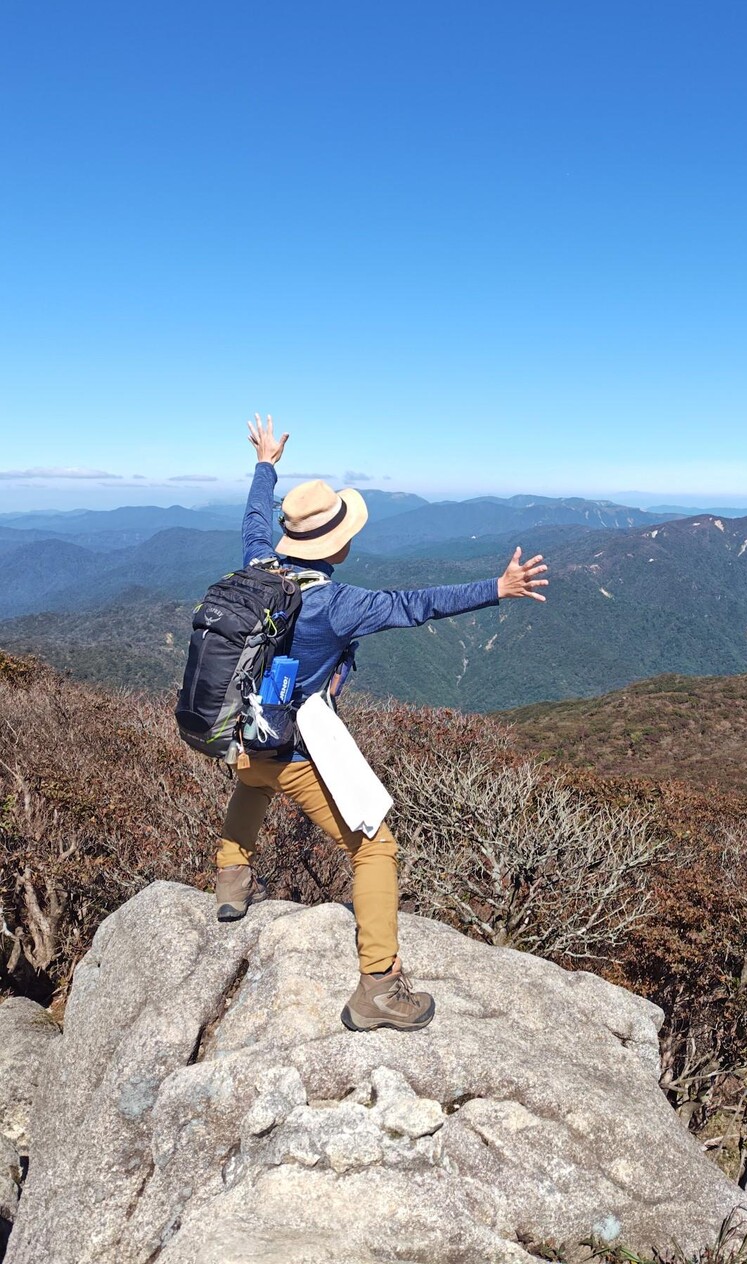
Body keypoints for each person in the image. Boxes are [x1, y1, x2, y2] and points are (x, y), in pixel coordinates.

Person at [214, 414, 548, 1033]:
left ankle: (231, 877)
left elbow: (255, 517)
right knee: (375, 846)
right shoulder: (337, 602)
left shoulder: (259, 563)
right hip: (293, 744)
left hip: (243, 726)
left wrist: (266, 463)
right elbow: (414, 606)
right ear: (336, 544)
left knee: (254, 778)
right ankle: (378, 988)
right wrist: (497, 588)